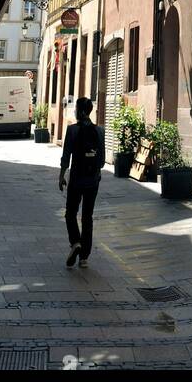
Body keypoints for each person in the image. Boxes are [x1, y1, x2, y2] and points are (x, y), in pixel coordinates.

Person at [59, 96, 106, 268]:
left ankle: (75, 242)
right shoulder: (99, 131)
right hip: (93, 181)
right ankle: (84, 257)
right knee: (87, 217)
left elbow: (66, 157)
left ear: (79, 111)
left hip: (77, 179)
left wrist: (61, 175)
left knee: (70, 213)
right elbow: (101, 161)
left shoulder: (72, 130)